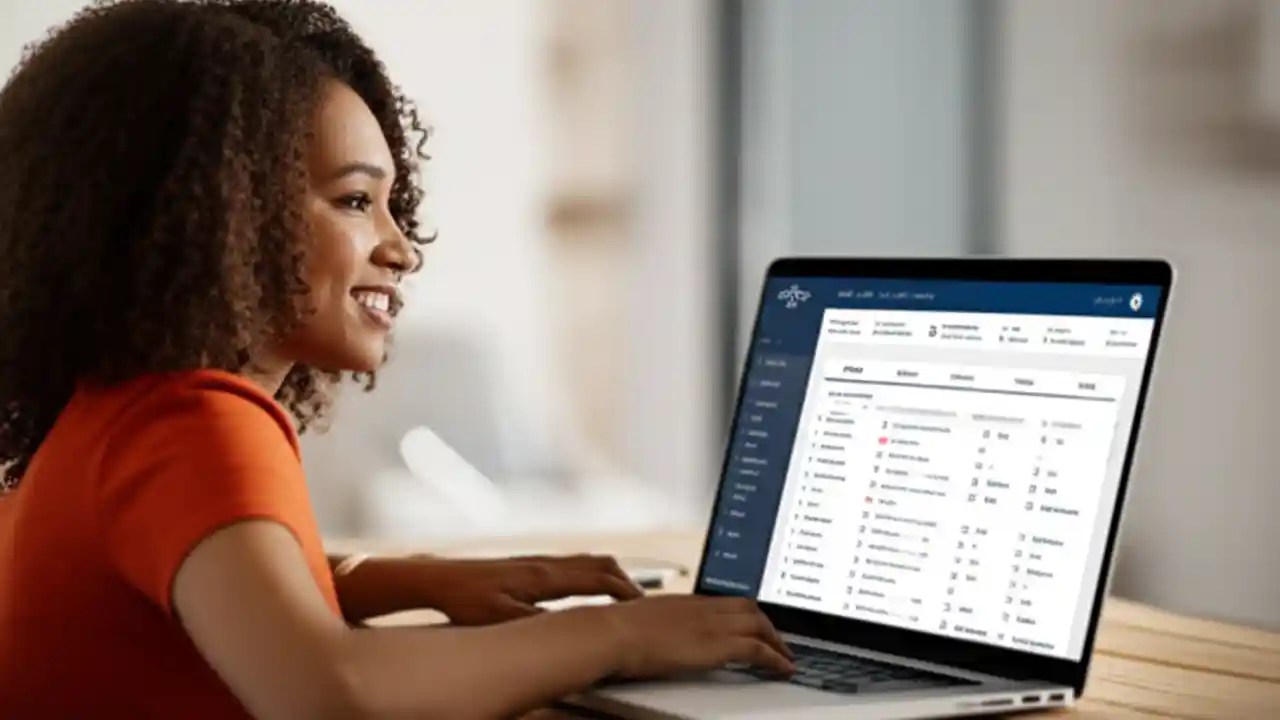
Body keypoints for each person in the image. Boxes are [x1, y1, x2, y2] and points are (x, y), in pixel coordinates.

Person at [0, 1, 795, 718]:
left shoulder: (111, 414)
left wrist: (412, 579)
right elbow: (330, 691)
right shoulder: (193, 422)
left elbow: (198, 589)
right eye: (354, 200)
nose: (402, 247)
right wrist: (621, 636)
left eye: (390, 203)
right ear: (218, 215)